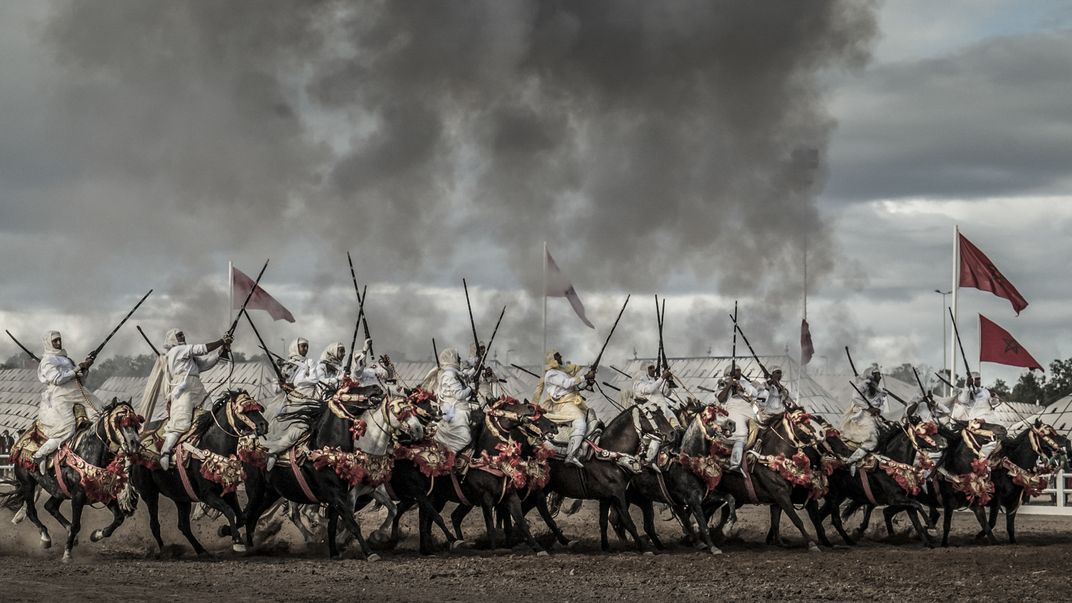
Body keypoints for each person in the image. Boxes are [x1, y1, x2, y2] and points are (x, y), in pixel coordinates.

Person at [158, 329, 231, 471]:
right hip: (182, 388)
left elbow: (205, 364)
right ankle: (165, 452)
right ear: (172, 339)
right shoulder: (177, 350)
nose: (183, 336)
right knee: (181, 423)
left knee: (211, 414)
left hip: (197, 386)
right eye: (179, 335)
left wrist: (221, 350)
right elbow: (202, 349)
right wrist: (222, 340)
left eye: (183, 334)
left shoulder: (187, 355)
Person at [31, 331, 103, 474]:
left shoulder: (67, 360)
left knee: (100, 414)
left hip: (78, 391)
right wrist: (77, 368)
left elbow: (80, 379)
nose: (58, 343)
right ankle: (40, 455)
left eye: (59, 340)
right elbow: (57, 379)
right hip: (60, 395)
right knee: (67, 429)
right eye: (55, 341)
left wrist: (85, 367)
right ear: (48, 343)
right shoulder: (47, 361)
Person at [535, 351, 594, 467]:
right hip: (563, 403)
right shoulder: (551, 374)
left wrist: (587, 381)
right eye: (557, 356)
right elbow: (566, 384)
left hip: (572, 401)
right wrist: (585, 376)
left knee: (591, 418)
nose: (561, 357)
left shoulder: (560, 373)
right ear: (552, 360)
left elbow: (574, 386)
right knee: (580, 421)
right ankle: (571, 455)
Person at [840, 367, 888, 473]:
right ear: (872, 375)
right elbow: (855, 397)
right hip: (863, 415)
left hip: (874, 417)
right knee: (872, 440)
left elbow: (880, 406)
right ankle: (851, 461)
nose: (880, 376)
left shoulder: (878, 390)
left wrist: (878, 410)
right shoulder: (863, 385)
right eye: (878, 374)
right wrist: (869, 408)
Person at [432, 347, 473, 453]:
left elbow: (466, 375)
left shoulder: (453, 373)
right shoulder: (450, 375)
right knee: (465, 438)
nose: (459, 359)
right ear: (451, 359)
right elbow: (459, 395)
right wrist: (471, 388)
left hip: (458, 410)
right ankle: (451, 456)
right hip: (455, 412)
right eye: (457, 357)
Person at [719, 368, 757, 471]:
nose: (738, 372)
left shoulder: (745, 383)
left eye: (739, 370)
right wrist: (729, 385)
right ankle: (735, 464)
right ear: (729, 373)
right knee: (741, 433)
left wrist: (741, 388)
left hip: (748, 410)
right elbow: (720, 398)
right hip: (733, 408)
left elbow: (754, 394)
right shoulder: (723, 382)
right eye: (735, 370)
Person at [633, 364, 682, 428]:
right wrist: (663, 377)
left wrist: (668, 381)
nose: (654, 370)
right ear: (645, 371)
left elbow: (665, 393)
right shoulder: (638, 384)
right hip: (653, 414)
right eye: (650, 368)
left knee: (678, 427)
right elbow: (650, 389)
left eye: (653, 367)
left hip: (664, 410)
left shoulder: (653, 381)